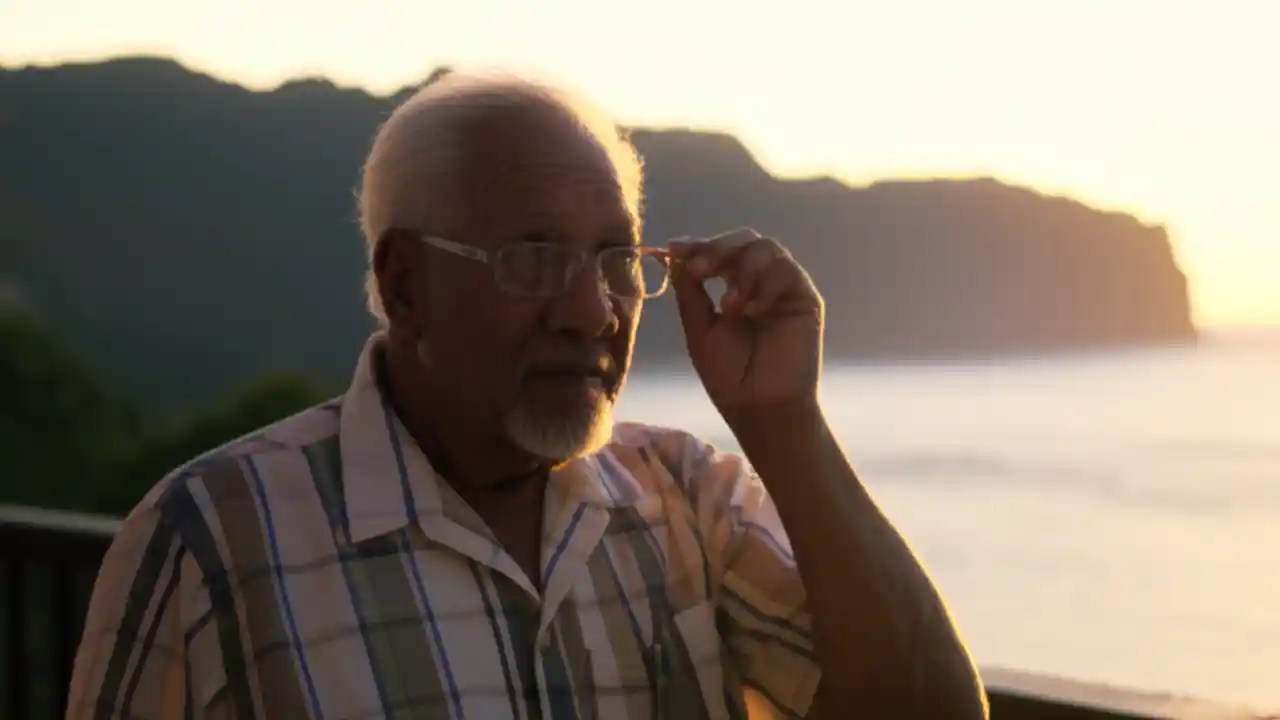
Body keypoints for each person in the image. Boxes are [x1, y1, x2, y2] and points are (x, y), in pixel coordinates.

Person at [67, 72, 987, 719]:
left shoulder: (688, 499)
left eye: (616, 261)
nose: (591, 312)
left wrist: (786, 425)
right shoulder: (212, 540)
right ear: (408, 286)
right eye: (535, 258)